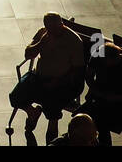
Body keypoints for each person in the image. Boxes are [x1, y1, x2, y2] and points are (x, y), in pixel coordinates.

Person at [10, 13, 85, 145]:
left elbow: (77, 70)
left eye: (55, 28)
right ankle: (32, 112)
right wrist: (41, 42)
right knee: (16, 95)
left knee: (52, 106)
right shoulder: (43, 33)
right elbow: (28, 54)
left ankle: (52, 137)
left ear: (61, 24)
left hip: (64, 82)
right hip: (39, 76)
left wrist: (58, 81)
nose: (52, 32)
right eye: (49, 28)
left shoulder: (73, 41)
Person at [78, 43, 122, 145]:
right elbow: (89, 75)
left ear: (119, 57)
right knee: (83, 120)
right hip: (102, 97)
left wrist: (113, 97)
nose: (107, 65)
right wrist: (95, 90)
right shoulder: (98, 55)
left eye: (111, 63)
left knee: (101, 122)